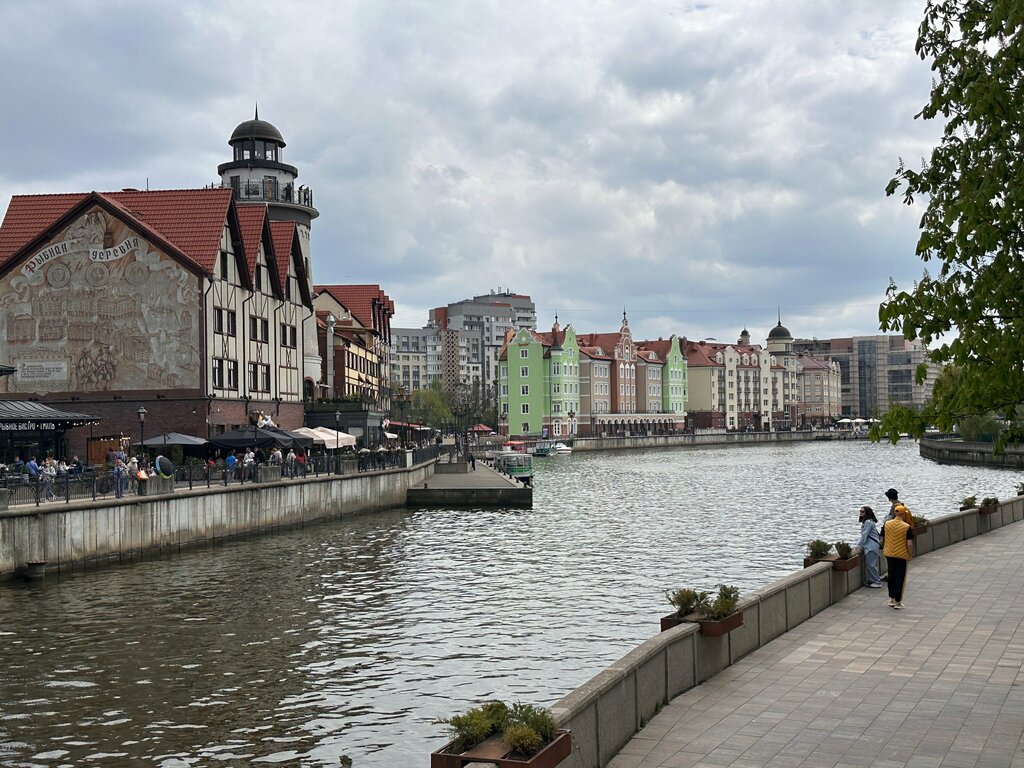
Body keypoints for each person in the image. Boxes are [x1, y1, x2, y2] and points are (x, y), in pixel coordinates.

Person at [880, 504, 915, 609]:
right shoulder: (906, 527)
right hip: (901, 555)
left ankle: (891, 599)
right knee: (900, 577)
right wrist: (911, 554)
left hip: (889, 553)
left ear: (895, 513)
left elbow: (882, 538)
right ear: (904, 514)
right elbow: (909, 544)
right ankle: (898, 602)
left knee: (891, 576)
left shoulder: (887, 524)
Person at [858, 506, 882, 588]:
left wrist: (859, 545)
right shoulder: (869, 521)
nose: (860, 513)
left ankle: (876, 582)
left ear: (867, 513)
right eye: (860, 511)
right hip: (872, 546)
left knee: (871, 565)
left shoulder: (868, 522)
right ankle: (873, 580)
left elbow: (864, 535)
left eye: (862, 512)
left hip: (870, 546)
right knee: (871, 564)